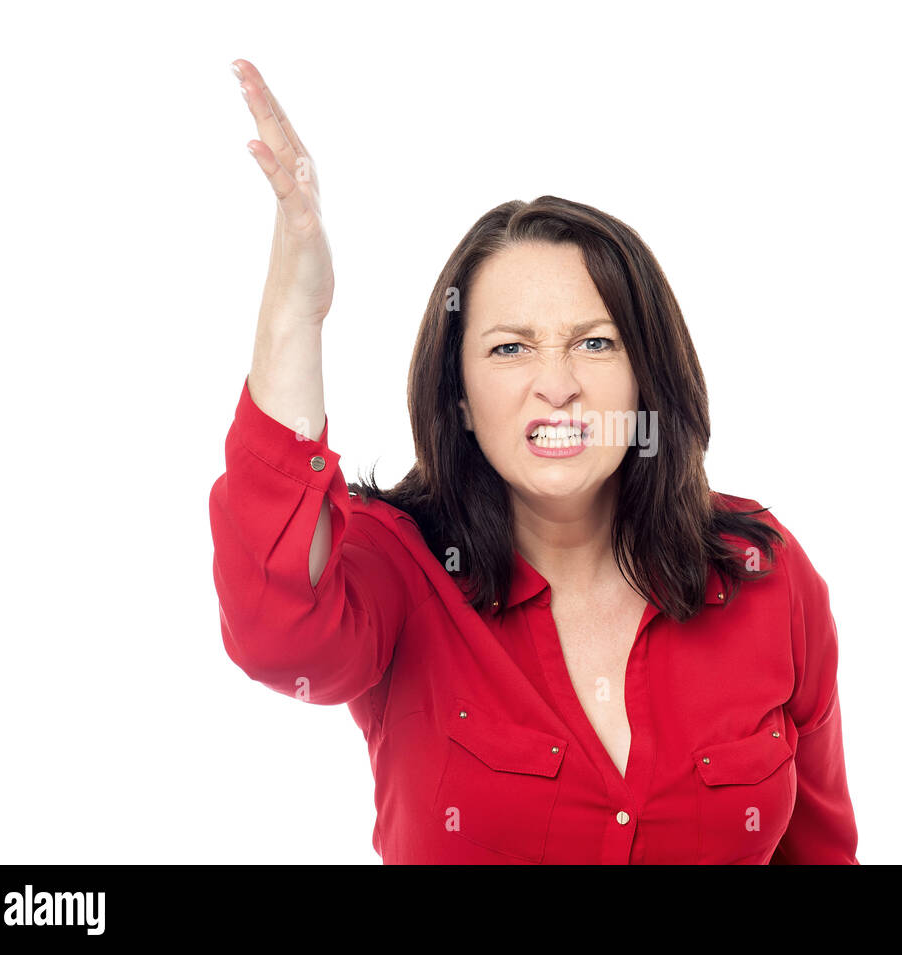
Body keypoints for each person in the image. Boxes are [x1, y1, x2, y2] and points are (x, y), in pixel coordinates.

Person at [209, 58, 859, 864]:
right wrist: (298, 310)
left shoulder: (769, 575)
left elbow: (823, 852)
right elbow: (279, 633)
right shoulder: (399, 568)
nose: (557, 386)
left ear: (646, 373)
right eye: (510, 348)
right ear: (459, 395)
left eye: (594, 342)